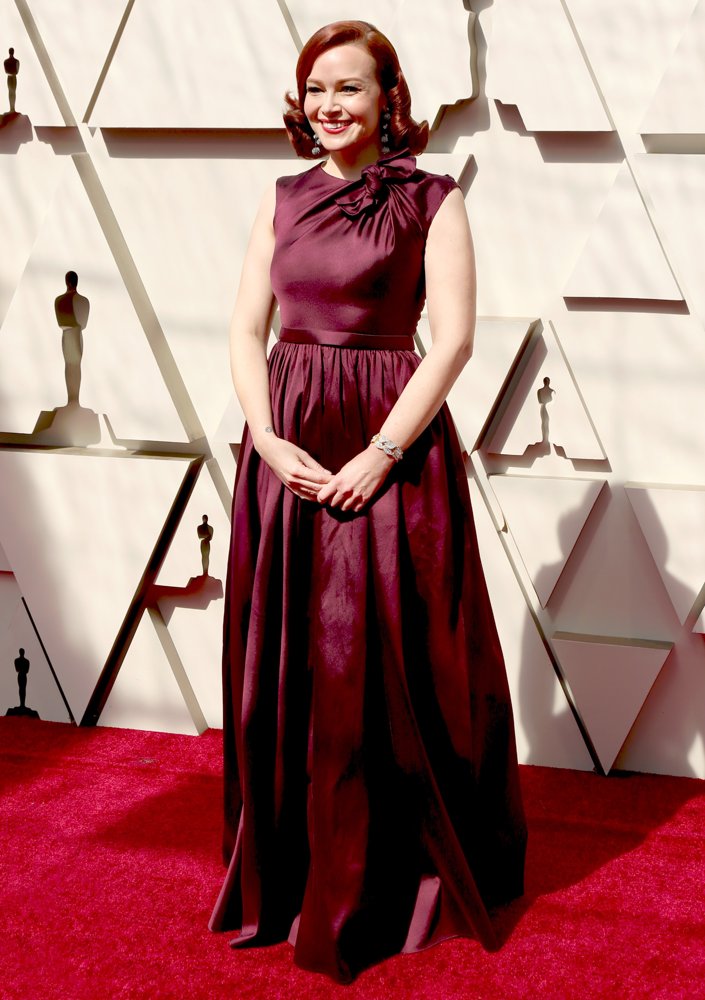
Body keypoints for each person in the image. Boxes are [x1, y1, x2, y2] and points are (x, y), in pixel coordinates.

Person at [210, 20, 527, 984]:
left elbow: (455, 340)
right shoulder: (281, 199)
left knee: (384, 664)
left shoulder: (436, 200)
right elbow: (243, 325)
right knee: (292, 664)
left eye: (349, 88)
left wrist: (385, 452)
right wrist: (266, 438)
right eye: (316, 91)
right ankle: (295, 865)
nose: (330, 105)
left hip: (393, 441)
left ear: (389, 97)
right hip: (291, 440)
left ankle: (388, 878)